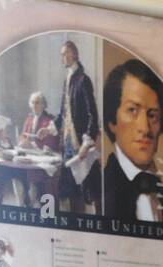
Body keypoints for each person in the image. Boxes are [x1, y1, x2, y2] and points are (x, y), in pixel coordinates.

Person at [102, 59, 163, 225]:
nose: (145, 128)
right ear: (112, 121)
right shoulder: (99, 193)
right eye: (132, 110)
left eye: (152, 115)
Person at [57, 41, 99, 212]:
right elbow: (63, 113)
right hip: (67, 142)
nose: (63, 57)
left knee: (83, 189)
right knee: (69, 189)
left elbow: (93, 115)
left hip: (79, 145)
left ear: (75, 54)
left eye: (66, 53)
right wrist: (51, 128)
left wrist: (86, 144)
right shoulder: (67, 79)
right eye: (62, 54)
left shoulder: (83, 80)